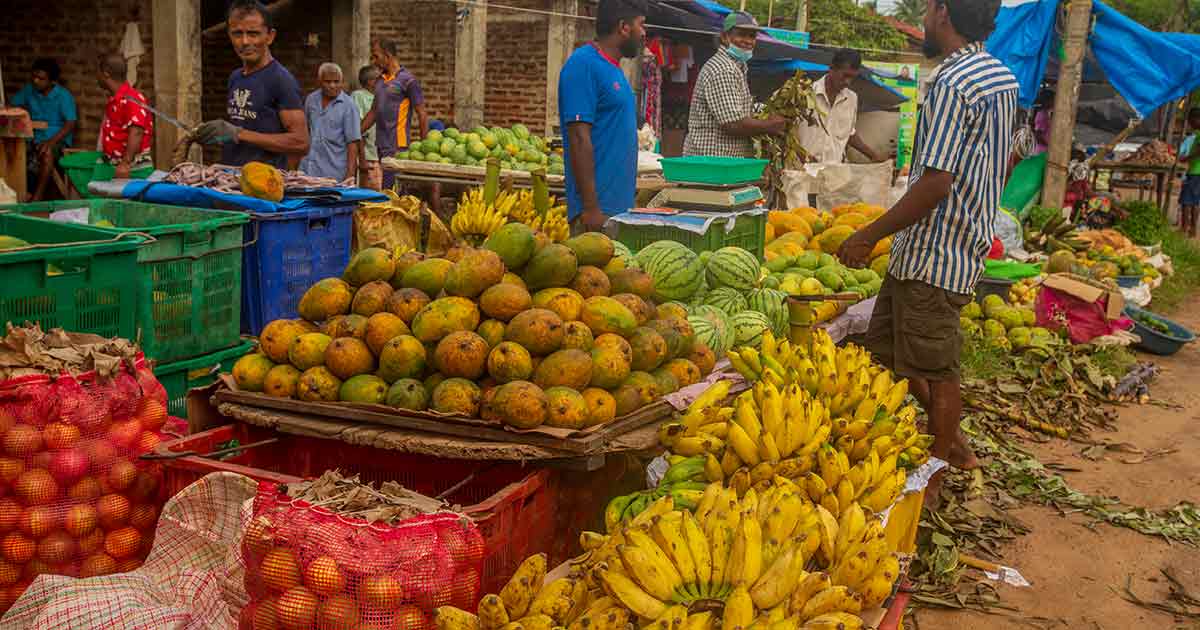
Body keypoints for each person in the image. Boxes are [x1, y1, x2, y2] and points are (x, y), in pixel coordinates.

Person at [837, 0, 1018, 505]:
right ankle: (953, 443)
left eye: (927, 11)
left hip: (937, 249)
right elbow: (1002, 157)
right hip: (944, 244)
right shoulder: (999, 76)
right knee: (894, 353)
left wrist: (867, 234)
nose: (922, 22)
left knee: (937, 370)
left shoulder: (952, 83)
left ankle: (936, 471)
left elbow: (935, 183)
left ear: (942, 13)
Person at [558, 0, 646, 233]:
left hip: (618, 208)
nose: (643, 33)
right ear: (623, 28)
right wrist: (591, 208)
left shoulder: (614, 68)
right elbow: (578, 137)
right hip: (597, 213)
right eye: (641, 25)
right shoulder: (583, 64)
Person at [194, 0, 309, 169]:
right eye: (237, 34)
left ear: (270, 36)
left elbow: (301, 143)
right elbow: (243, 129)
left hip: (262, 185)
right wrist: (220, 134)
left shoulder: (281, 80)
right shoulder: (235, 77)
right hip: (232, 179)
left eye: (253, 34)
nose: (245, 41)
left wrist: (239, 134)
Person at [682, 12, 787, 159]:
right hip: (710, 161)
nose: (748, 41)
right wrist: (769, 126)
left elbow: (740, 110)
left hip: (725, 161)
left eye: (752, 36)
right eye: (742, 35)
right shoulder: (723, 69)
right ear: (725, 37)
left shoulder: (737, 67)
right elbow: (733, 123)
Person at [794, 49, 886, 164]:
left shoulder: (852, 99)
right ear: (831, 68)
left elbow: (849, 133)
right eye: (845, 75)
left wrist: (873, 156)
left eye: (852, 77)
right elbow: (785, 131)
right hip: (801, 172)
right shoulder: (802, 93)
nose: (848, 82)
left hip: (833, 173)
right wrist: (803, 155)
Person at [361, 39, 429, 190]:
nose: (374, 61)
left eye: (376, 56)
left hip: (398, 146)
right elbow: (373, 112)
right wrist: (355, 132)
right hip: (381, 145)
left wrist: (425, 149)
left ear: (388, 55)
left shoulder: (408, 81)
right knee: (387, 190)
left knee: (394, 191)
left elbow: (422, 114)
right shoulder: (379, 80)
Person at [11, 58, 77, 201]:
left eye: (41, 78)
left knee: (46, 154)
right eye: (34, 76)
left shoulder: (63, 96)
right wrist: (23, 113)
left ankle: (36, 198)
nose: (35, 81)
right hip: (32, 137)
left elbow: (70, 123)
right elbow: (13, 104)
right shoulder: (29, 90)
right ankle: (20, 194)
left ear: (52, 81)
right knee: (14, 151)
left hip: (57, 141)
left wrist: (51, 142)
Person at [299, 63, 361, 182]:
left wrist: (350, 174)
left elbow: (352, 142)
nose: (332, 86)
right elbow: (304, 131)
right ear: (319, 82)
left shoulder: (349, 106)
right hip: (308, 169)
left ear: (342, 82)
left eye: (336, 81)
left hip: (334, 172)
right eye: (328, 82)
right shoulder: (311, 100)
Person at [96, 53, 154, 180]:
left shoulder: (132, 98)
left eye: (98, 72)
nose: (97, 77)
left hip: (130, 169)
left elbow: (137, 131)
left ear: (105, 73)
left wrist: (125, 163)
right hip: (113, 165)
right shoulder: (116, 99)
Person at [352, 65, 382, 190]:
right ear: (371, 81)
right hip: (368, 157)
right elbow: (358, 129)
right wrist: (362, 159)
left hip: (379, 156)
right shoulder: (359, 96)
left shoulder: (380, 96)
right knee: (369, 196)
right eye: (379, 79)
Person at [1177, 108, 1200, 236]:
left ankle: (1184, 229)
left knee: (1186, 200)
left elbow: (1198, 151)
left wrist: (1185, 158)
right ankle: (1192, 229)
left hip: (1196, 172)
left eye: (1191, 121)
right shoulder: (1197, 134)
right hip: (1196, 171)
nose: (1190, 124)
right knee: (1195, 201)